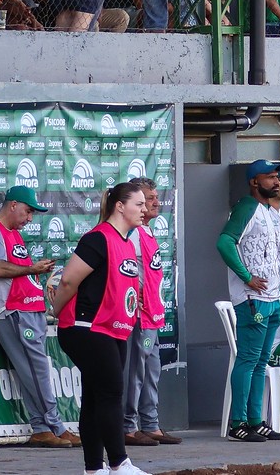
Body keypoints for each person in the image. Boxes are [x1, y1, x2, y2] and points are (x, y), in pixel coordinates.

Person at [49, 180, 149, 475]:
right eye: (139, 204)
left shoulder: (126, 241)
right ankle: (119, 463)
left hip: (112, 329)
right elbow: (68, 280)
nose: (145, 210)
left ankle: (94, 468)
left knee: (95, 397)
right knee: (110, 393)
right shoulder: (98, 239)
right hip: (86, 327)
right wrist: (56, 310)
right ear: (120, 206)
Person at [0, 185, 69, 446]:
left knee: (32, 371)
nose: (29, 218)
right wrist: (31, 269)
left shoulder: (12, 233)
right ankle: (57, 425)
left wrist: (36, 274)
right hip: (11, 311)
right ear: (13, 204)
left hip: (28, 309)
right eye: (28, 211)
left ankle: (40, 428)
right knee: (36, 371)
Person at [216, 160, 280, 441]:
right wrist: (246, 276)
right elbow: (224, 242)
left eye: (277, 177)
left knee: (262, 361)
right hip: (252, 297)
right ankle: (237, 423)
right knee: (249, 359)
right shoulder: (247, 207)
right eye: (270, 177)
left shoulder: (273, 211)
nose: (276, 181)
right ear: (254, 182)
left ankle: (255, 419)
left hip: (273, 295)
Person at [121, 180, 175, 446]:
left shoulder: (148, 231)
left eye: (155, 197)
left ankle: (150, 424)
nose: (156, 203)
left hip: (153, 315)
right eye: (148, 199)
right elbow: (128, 276)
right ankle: (127, 427)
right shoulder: (131, 234)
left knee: (152, 371)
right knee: (134, 373)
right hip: (138, 316)